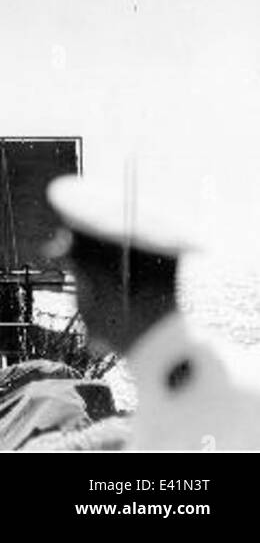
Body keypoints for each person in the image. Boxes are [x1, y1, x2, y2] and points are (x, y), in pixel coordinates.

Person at [47, 174, 260, 451]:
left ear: (112, 287)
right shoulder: (176, 386)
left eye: (79, 283)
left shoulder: (218, 395)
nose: (77, 304)